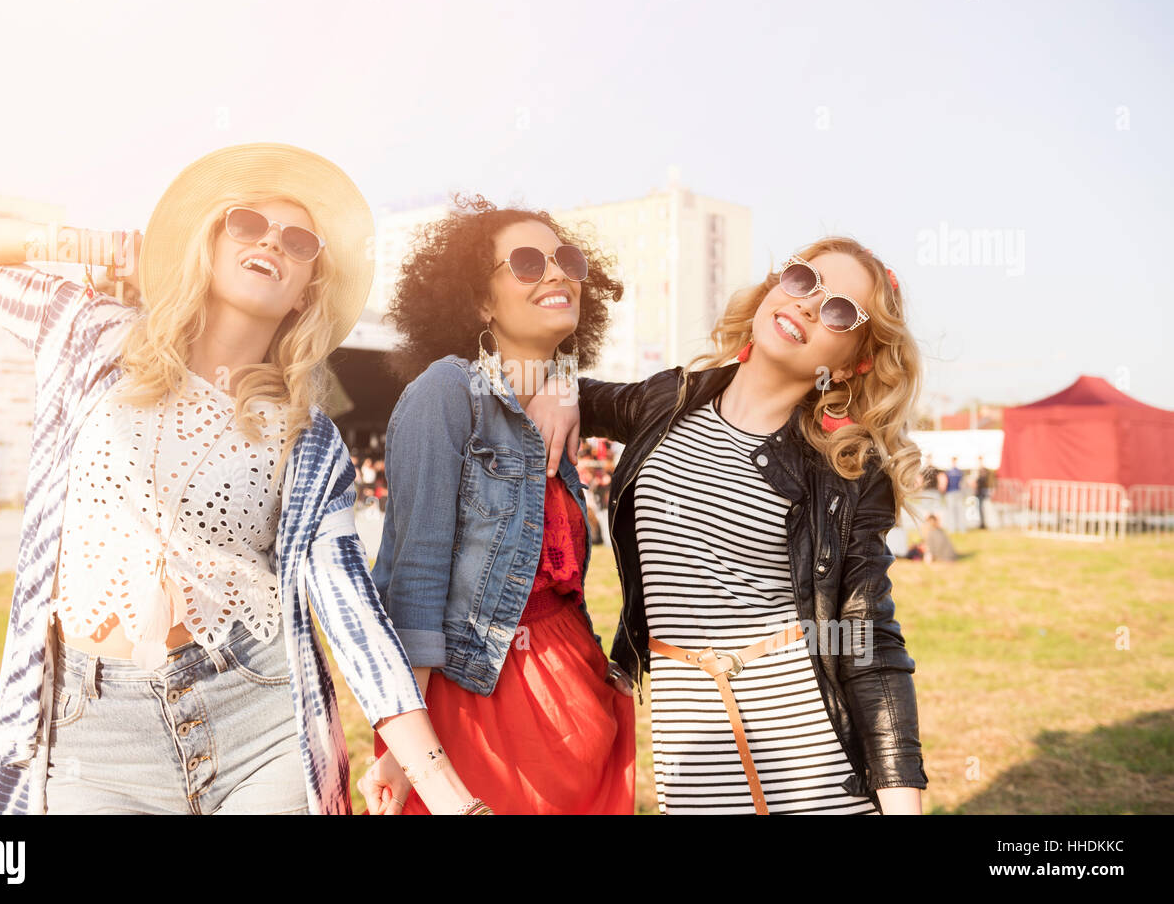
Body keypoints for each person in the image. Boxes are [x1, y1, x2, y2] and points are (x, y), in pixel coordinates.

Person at [0, 143, 487, 815]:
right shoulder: (92, 338)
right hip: (95, 733)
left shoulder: (308, 437)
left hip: (260, 716)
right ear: (209, 243)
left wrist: (453, 797)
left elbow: (352, 611)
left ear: (307, 289)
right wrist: (100, 247)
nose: (271, 239)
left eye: (297, 240)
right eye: (246, 224)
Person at [531, 238, 929, 814]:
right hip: (690, 764)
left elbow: (869, 642)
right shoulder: (667, 400)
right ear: (774, 286)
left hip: (811, 772)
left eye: (841, 310)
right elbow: (540, 374)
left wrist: (903, 804)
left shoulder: (846, 471)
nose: (812, 306)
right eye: (803, 280)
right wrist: (563, 382)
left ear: (850, 362)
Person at [363, 194, 636, 814]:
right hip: (479, 695)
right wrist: (407, 747)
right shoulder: (445, 393)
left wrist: (565, 384)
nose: (557, 272)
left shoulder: (559, 402)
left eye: (566, 259)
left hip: (576, 692)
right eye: (526, 262)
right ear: (480, 300)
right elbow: (416, 576)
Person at [941, 456, 966, 533]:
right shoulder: (948, 472)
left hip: (957, 492)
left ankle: (961, 528)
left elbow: (963, 483)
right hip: (950, 493)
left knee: (959, 511)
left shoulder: (959, 472)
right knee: (952, 511)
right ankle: (952, 528)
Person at [975, 455, 991, 529]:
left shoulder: (983, 470)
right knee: (980, 508)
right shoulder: (978, 470)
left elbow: (983, 480)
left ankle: (984, 523)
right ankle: (982, 523)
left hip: (983, 491)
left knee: (983, 508)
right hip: (979, 492)